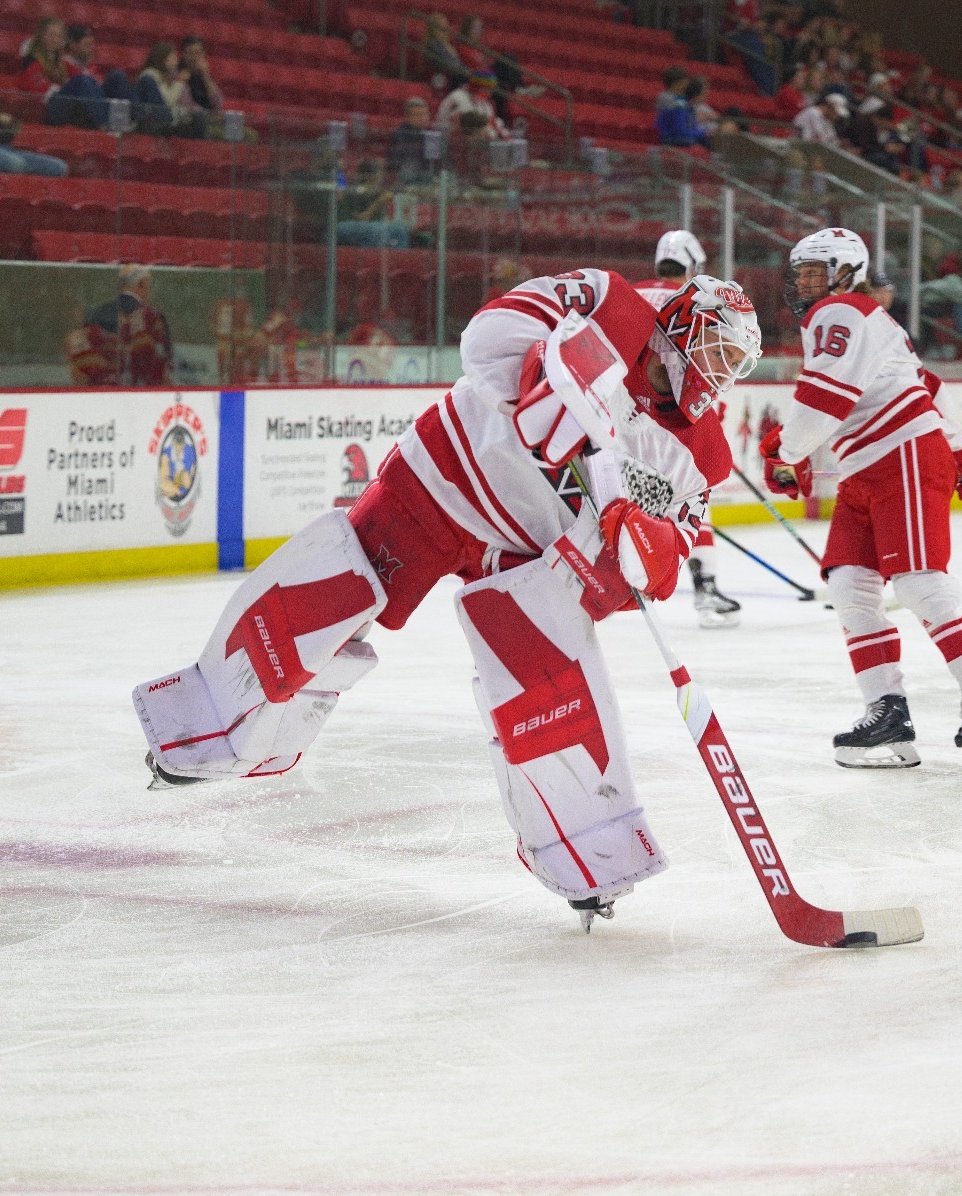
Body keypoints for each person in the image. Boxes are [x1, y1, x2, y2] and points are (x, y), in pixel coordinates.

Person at [130, 269, 763, 933]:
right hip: (446, 475)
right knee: (334, 588)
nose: (722, 372)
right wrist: (546, 379)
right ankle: (204, 720)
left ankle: (584, 849)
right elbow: (492, 334)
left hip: (527, 555)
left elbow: (662, 563)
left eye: (735, 362)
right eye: (719, 349)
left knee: (548, 677)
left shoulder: (699, 452)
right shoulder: (609, 302)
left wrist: (644, 543)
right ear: (684, 325)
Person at [758, 227, 962, 769]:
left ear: (847, 271)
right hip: (866, 468)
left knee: (921, 582)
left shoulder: (843, 313)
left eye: (816, 270)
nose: (802, 280)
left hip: (901, 458)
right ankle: (887, 715)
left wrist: (787, 451)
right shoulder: (857, 318)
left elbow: (825, 400)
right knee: (850, 586)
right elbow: (923, 384)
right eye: (800, 270)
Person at [634, 229, 738, 629]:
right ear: (693, 265)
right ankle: (705, 587)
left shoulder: (630, 292)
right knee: (692, 493)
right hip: (673, 418)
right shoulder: (697, 304)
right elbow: (713, 367)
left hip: (622, 412)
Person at [66, 264, 174, 386]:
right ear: (142, 284)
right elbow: (164, 359)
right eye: (149, 286)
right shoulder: (152, 316)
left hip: (100, 392)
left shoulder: (96, 313)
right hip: (142, 392)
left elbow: (81, 367)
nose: (150, 292)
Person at [131, 43, 207, 137]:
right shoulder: (149, 76)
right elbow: (166, 103)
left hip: (165, 121)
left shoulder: (161, 77)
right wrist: (180, 81)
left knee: (198, 120)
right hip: (151, 124)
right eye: (173, 57)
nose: (176, 60)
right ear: (163, 59)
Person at [16, 16, 71, 95]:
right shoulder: (31, 60)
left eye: (59, 36)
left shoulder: (61, 62)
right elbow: (38, 89)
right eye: (51, 34)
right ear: (41, 35)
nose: (54, 39)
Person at [655, 67, 708, 147]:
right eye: (703, 94)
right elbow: (680, 131)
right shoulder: (678, 103)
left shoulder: (688, 104)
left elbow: (692, 127)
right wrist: (704, 133)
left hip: (679, 136)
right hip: (672, 139)